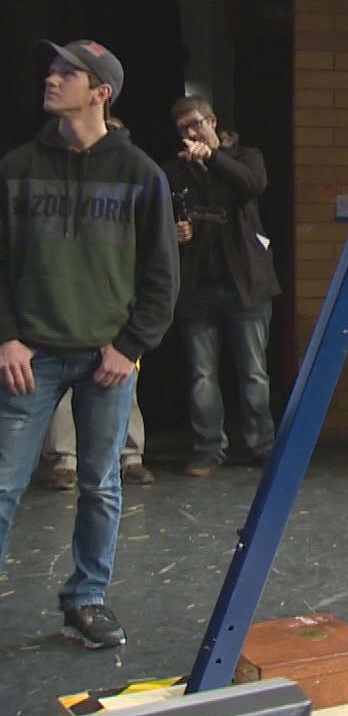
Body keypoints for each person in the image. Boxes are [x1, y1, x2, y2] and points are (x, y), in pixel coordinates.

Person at [0, 39, 178, 649]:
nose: (50, 79)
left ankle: (87, 599)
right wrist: (7, 337)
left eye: (65, 73)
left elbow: (161, 275)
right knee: (3, 483)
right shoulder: (18, 167)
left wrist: (129, 346)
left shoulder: (141, 175)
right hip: (33, 355)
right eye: (50, 70)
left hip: (107, 358)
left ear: (100, 92)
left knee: (102, 484)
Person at [164, 96, 281, 477]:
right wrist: (175, 232)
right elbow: (161, 217)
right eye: (183, 129)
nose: (190, 133)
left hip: (246, 283)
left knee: (253, 371)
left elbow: (253, 185)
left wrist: (212, 158)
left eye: (196, 124)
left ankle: (262, 444)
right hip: (198, 284)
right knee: (201, 373)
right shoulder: (176, 171)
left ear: (212, 121)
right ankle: (208, 448)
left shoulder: (247, 157)